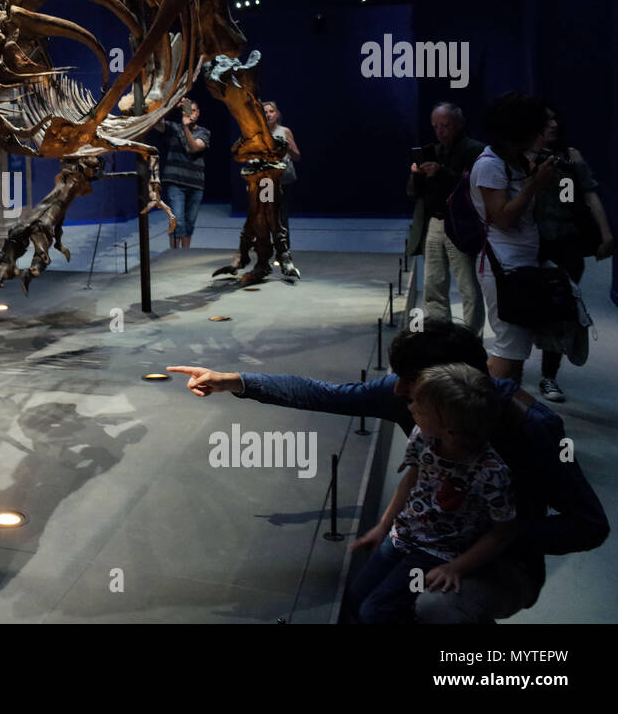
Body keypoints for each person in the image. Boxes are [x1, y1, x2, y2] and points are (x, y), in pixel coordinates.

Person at [166, 319, 609, 623]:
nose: (396, 390)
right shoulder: (409, 393)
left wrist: (487, 536)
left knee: (435, 609)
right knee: (365, 600)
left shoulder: (530, 427)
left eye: (408, 382)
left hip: (498, 560)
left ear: (450, 385)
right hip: (421, 539)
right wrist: (236, 382)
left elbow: (588, 527)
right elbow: (326, 395)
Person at [345, 363, 516, 623]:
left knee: (375, 612)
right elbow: (411, 478)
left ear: (448, 429)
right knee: (356, 597)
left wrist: (456, 567)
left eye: (420, 408)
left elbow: (502, 532)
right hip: (402, 536)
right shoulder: (423, 436)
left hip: (438, 553)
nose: (410, 408)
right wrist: (383, 526)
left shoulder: (490, 473)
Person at [526, 104, 614, 401]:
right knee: (525, 308)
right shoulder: (523, 155)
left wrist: (606, 235)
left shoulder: (571, 155)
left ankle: (549, 376)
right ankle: (510, 367)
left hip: (566, 240)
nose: (552, 125)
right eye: (545, 120)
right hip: (530, 241)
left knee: (561, 309)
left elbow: (590, 195)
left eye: (554, 120)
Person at [469, 93, 555, 383]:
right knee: (507, 349)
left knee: (516, 350)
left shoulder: (514, 161)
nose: (546, 129)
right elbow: (503, 218)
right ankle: (481, 415)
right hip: (503, 266)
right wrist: (535, 184)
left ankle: (502, 417)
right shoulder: (490, 164)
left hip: (517, 264)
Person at [406, 103, 485, 332]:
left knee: (468, 286)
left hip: (460, 225)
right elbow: (413, 193)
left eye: (446, 126)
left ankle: (471, 337)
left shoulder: (475, 151)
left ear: (459, 124)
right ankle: (441, 334)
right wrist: (416, 175)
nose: (441, 131)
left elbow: (474, 189)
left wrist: (442, 173)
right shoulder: (434, 151)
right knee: (433, 284)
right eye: (436, 126)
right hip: (435, 223)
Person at [153, 98, 210, 249]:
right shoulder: (173, 128)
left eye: (193, 110)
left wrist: (185, 128)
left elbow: (194, 148)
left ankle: (185, 254)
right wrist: (171, 106)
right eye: (186, 110)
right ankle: (173, 254)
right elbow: (155, 120)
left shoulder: (204, 132)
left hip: (195, 183)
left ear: (198, 113)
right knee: (177, 220)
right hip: (175, 182)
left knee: (190, 222)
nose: (189, 113)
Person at [262, 101, 300, 264]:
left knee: (281, 218)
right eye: (265, 112)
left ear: (277, 114)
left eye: (271, 111)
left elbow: (297, 156)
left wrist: (287, 148)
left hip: (282, 180)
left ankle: (283, 253)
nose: (268, 114)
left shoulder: (285, 132)